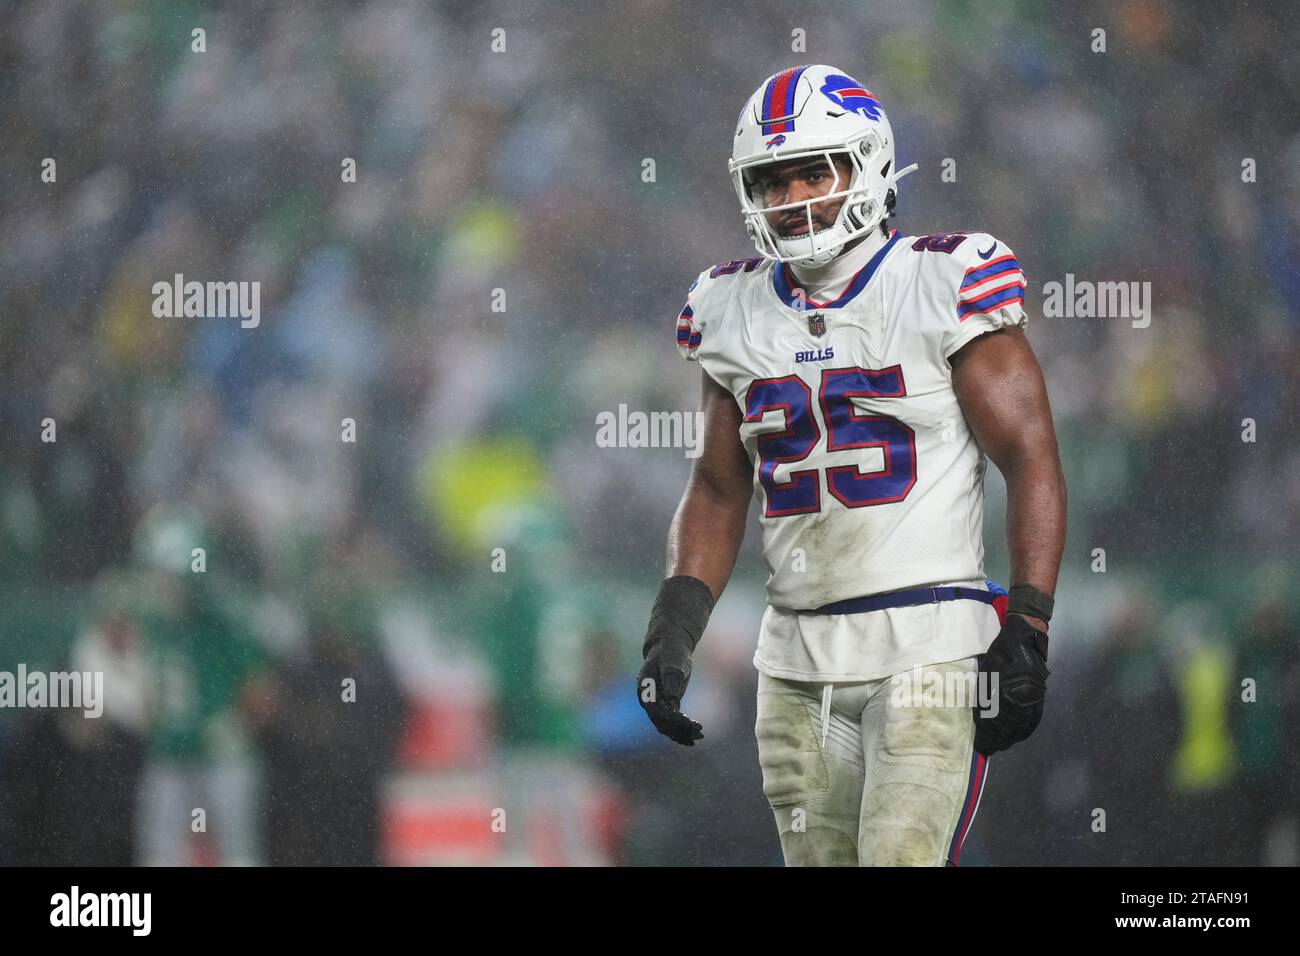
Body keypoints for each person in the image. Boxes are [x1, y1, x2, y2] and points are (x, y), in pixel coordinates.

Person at [636, 65, 1067, 866]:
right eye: (771, 180)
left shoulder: (944, 279)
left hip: (930, 645)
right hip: (795, 661)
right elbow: (718, 485)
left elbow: (1030, 456)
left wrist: (1030, 624)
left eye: (813, 171)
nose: (792, 196)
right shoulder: (728, 308)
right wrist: (676, 622)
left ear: (868, 164)